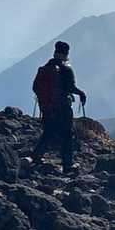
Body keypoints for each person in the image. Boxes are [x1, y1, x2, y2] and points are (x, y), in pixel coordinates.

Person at [30, 40, 87, 174]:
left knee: (48, 132)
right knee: (67, 135)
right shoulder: (66, 69)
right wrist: (81, 93)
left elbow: (36, 87)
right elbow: (70, 87)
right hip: (62, 108)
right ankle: (67, 165)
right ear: (65, 54)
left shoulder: (46, 67)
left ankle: (36, 157)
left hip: (47, 108)